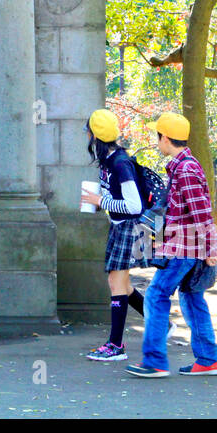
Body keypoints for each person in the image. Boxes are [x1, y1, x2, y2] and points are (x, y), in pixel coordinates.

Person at [126, 111, 217, 378]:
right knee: (192, 297)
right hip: (186, 247)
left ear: (165, 137)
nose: (157, 142)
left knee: (156, 295)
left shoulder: (186, 169)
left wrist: (212, 251)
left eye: (157, 137)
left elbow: (202, 214)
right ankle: (208, 359)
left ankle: (155, 361)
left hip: (184, 249)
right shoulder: (183, 166)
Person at [80, 109, 149, 362]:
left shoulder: (120, 163)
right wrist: (102, 202)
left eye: (87, 131)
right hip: (119, 226)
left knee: (117, 285)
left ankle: (116, 346)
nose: (86, 136)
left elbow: (134, 206)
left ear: (95, 136)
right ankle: (160, 324)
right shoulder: (108, 161)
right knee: (123, 285)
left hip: (128, 228)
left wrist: (101, 200)